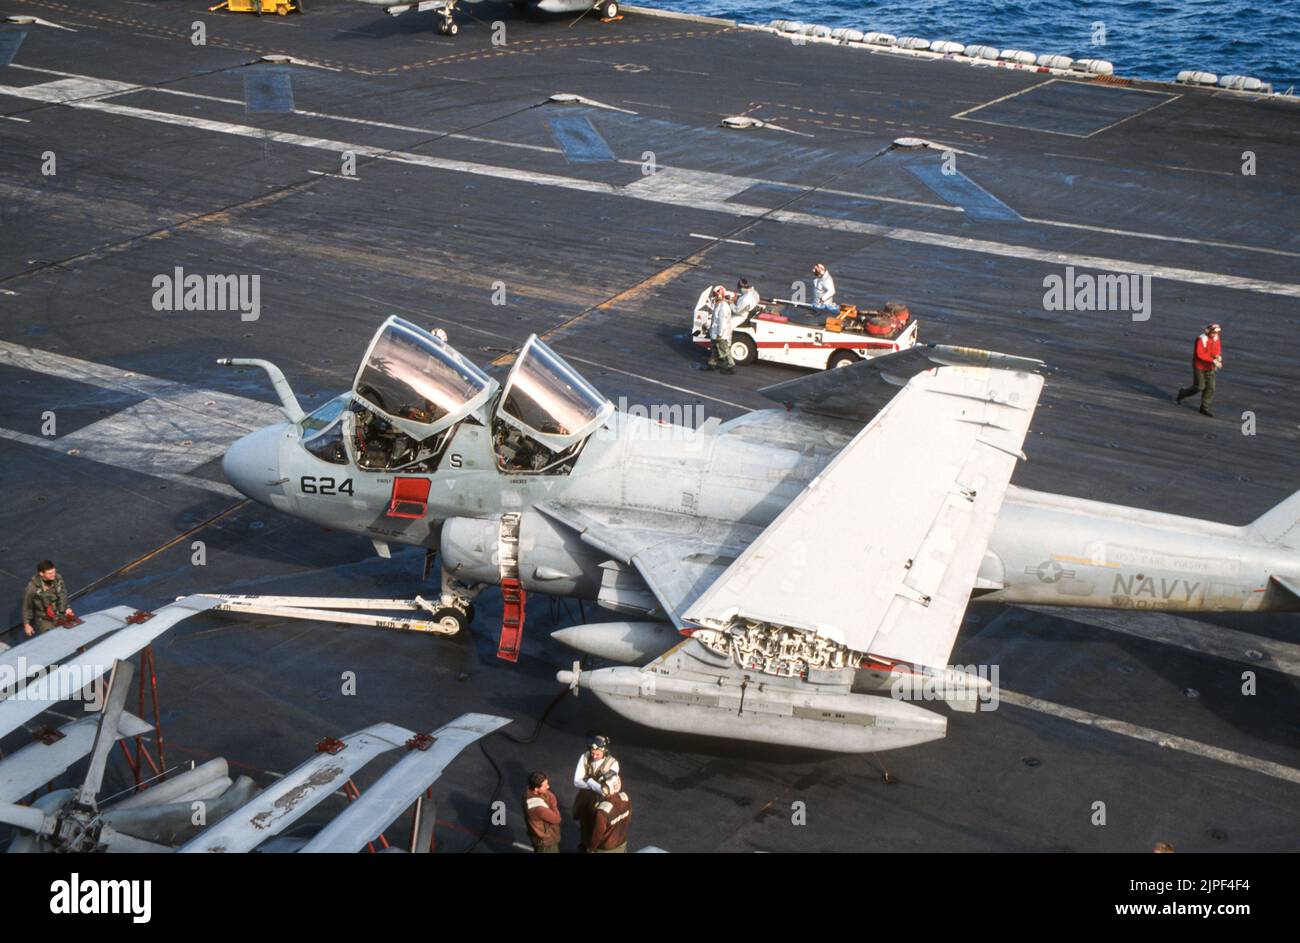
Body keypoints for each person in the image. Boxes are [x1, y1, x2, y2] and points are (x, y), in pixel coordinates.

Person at [572, 735, 619, 852]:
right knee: (584, 821)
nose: (594, 756)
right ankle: (584, 844)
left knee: (599, 826)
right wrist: (596, 786)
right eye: (592, 753)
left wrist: (589, 781)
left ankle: (594, 847)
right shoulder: (585, 757)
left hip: (603, 801)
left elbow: (605, 791)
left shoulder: (613, 764)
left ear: (605, 751)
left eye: (597, 754)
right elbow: (576, 781)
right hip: (587, 798)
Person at [1175, 323, 1223, 417]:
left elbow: (1216, 350)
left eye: (1217, 333)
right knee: (1199, 387)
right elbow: (1200, 355)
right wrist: (1213, 360)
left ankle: (1204, 408)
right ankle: (1183, 393)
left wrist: (1218, 357)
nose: (1215, 334)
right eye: (1213, 332)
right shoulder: (1201, 339)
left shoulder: (1216, 338)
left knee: (1211, 387)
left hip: (1210, 367)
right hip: (1199, 367)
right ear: (1208, 331)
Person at [22, 560, 74, 637]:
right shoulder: (32, 588)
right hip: (45, 618)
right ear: (41, 573)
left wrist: (67, 608)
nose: (53, 575)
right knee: (51, 638)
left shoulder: (58, 578)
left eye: (54, 572)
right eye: (50, 573)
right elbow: (26, 606)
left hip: (60, 613)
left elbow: (63, 593)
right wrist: (26, 624)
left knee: (71, 634)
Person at [589, 774, 632, 853]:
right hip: (622, 843)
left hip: (606, 848)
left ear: (607, 789)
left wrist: (591, 849)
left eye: (603, 786)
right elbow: (628, 820)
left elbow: (597, 834)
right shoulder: (626, 799)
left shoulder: (603, 811)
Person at [522, 771, 562, 853]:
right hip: (546, 844)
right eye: (545, 786)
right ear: (536, 789)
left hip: (538, 839)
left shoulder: (529, 791)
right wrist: (553, 804)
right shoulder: (539, 808)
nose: (548, 786)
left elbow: (547, 794)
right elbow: (557, 819)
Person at [706, 286, 735, 374]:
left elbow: (722, 323)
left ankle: (730, 366)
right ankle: (712, 364)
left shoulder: (723, 308)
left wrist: (719, 335)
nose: (713, 296)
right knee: (714, 349)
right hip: (715, 333)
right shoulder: (717, 305)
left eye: (714, 295)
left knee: (724, 351)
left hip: (720, 335)